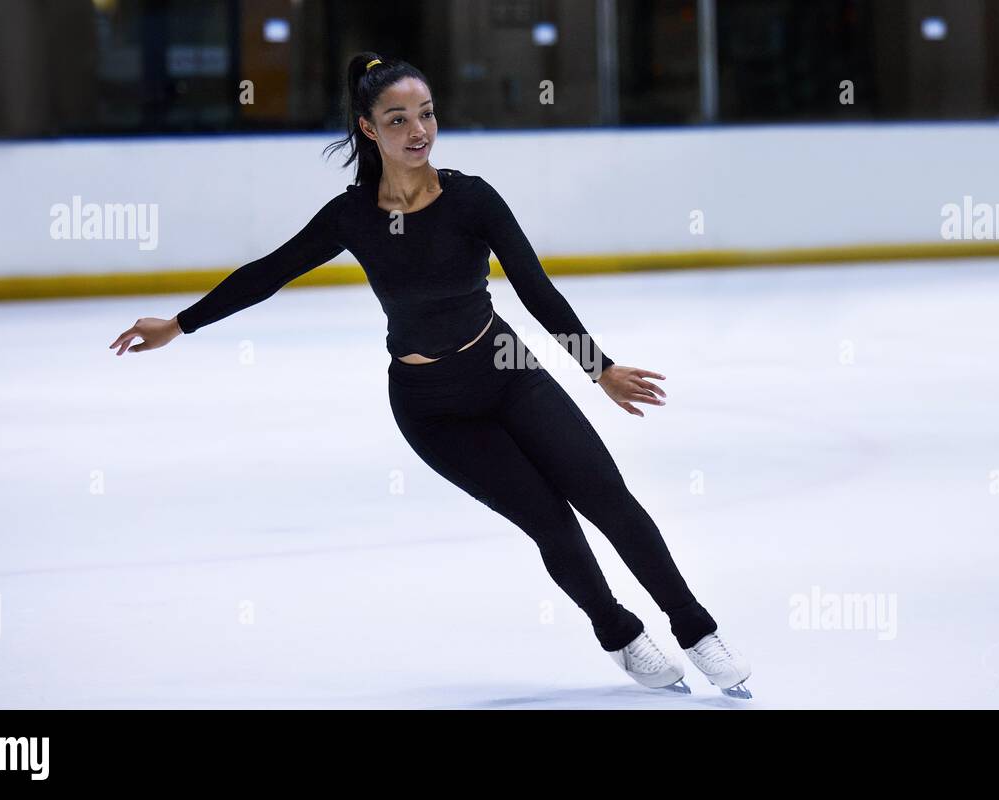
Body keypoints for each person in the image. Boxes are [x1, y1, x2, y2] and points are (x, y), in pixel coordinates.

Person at [109, 53, 751, 698]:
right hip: (431, 406)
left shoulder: (472, 198)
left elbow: (535, 290)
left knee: (608, 499)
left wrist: (599, 369)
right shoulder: (352, 215)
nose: (418, 130)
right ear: (368, 128)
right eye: (398, 119)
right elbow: (267, 272)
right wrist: (180, 324)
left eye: (426, 113)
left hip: (506, 368)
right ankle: (619, 634)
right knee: (552, 525)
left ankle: (697, 630)